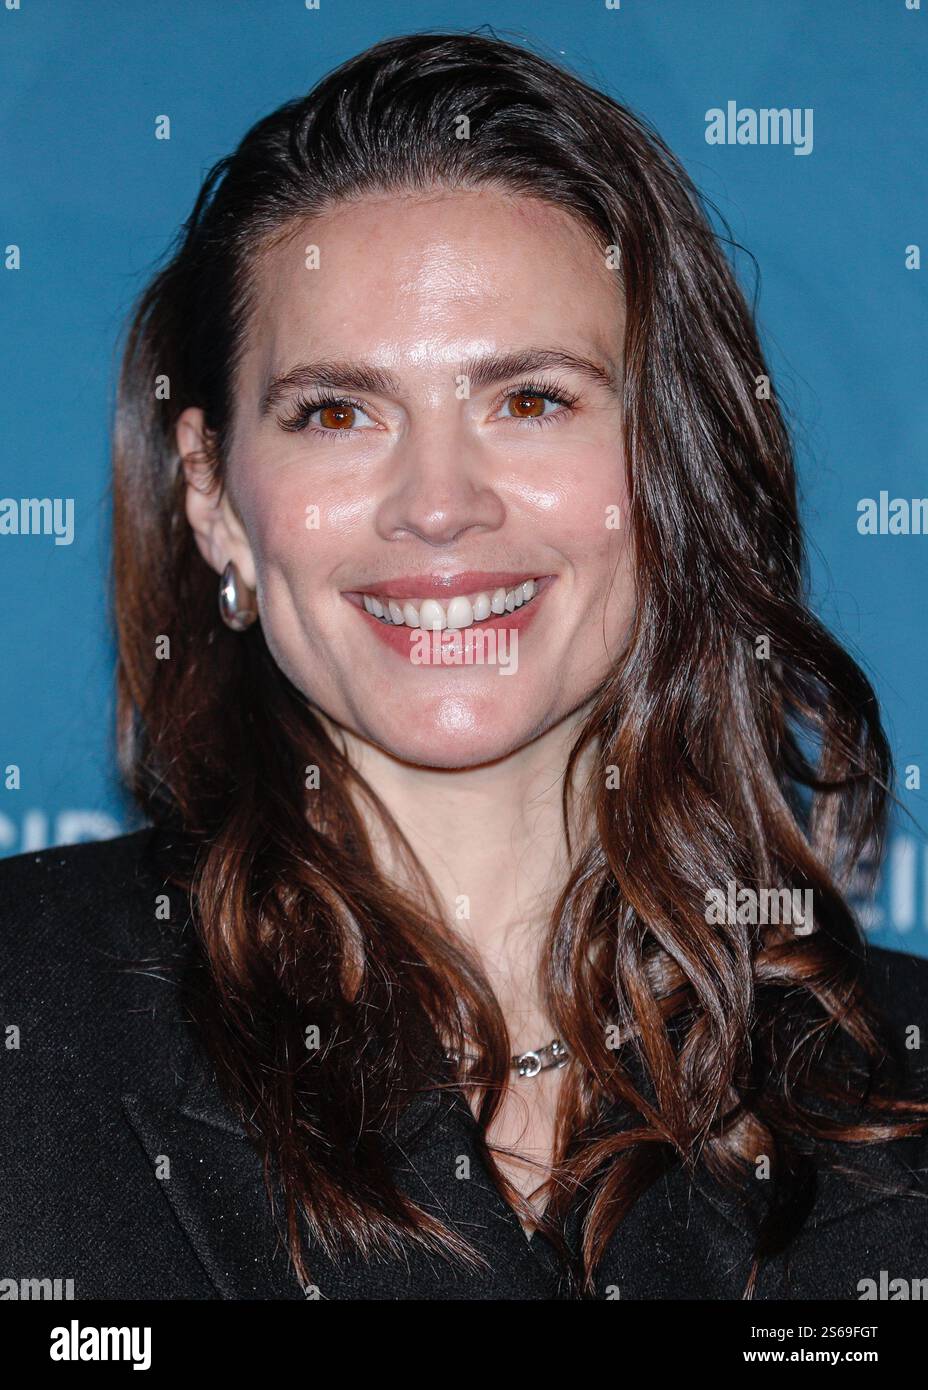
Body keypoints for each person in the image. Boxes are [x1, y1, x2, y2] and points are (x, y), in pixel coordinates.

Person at [1, 31, 926, 1302]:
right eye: (337, 411)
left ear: (674, 459)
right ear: (215, 497)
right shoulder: (29, 1014)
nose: (437, 505)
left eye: (530, 399)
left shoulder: (896, 1095)